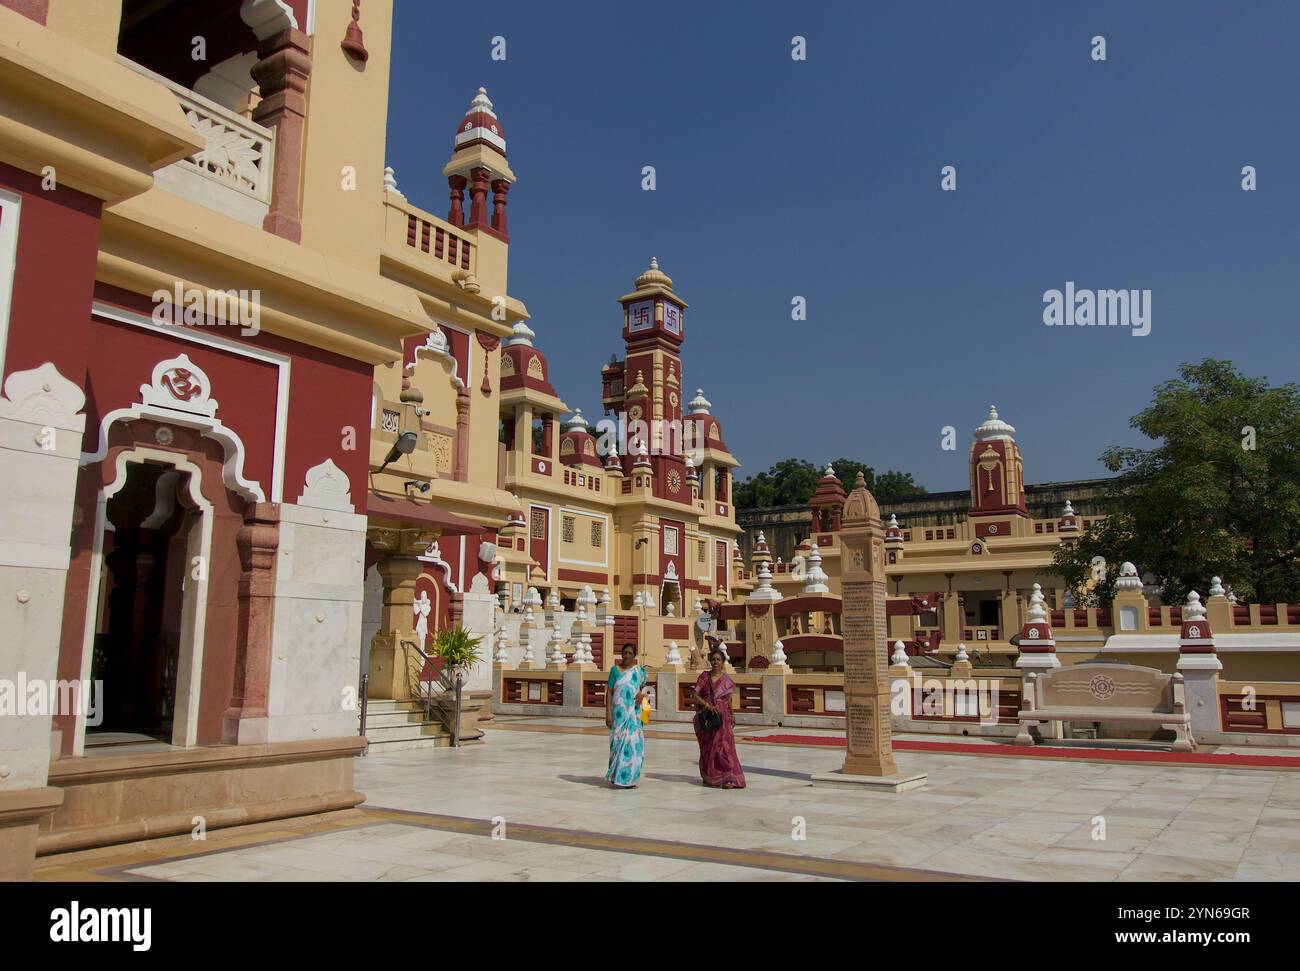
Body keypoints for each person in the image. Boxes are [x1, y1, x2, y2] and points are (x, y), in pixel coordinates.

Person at [686, 648, 747, 789]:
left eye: (718, 659)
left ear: (723, 662)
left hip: (723, 716)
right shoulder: (704, 677)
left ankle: (728, 778)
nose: (715, 662)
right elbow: (694, 695)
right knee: (709, 746)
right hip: (709, 715)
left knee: (725, 747)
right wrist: (707, 705)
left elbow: (728, 699)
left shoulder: (726, 680)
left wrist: (732, 714)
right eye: (713, 659)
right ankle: (711, 776)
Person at [605, 643, 647, 788]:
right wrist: (608, 713)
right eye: (625, 653)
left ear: (634, 655)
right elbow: (609, 692)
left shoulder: (639, 671)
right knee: (617, 743)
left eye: (630, 653)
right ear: (621, 654)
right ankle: (616, 775)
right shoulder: (614, 670)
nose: (627, 656)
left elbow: (645, 690)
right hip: (619, 714)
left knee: (633, 745)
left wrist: (642, 694)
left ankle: (629, 779)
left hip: (634, 714)